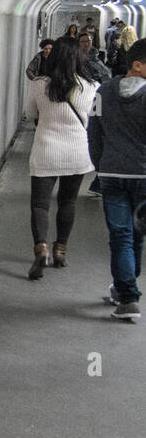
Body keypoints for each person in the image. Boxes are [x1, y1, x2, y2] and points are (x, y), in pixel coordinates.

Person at [24, 38, 96, 279]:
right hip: (76, 152)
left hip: (46, 150)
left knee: (40, 204)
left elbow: (30, 113)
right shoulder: (90, 85)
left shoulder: (40, 84)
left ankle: (41, 248)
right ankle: (60, 251)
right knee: (68, 203)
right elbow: (96, 115)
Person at [87, 38, 146, 322]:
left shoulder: (103, 91)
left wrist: (101, 164)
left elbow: (94, 132)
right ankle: (127, 290)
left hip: (111, 173)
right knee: (136, 233)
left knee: (120, 235)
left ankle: (126, 294)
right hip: (143, 175)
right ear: (137, 65)